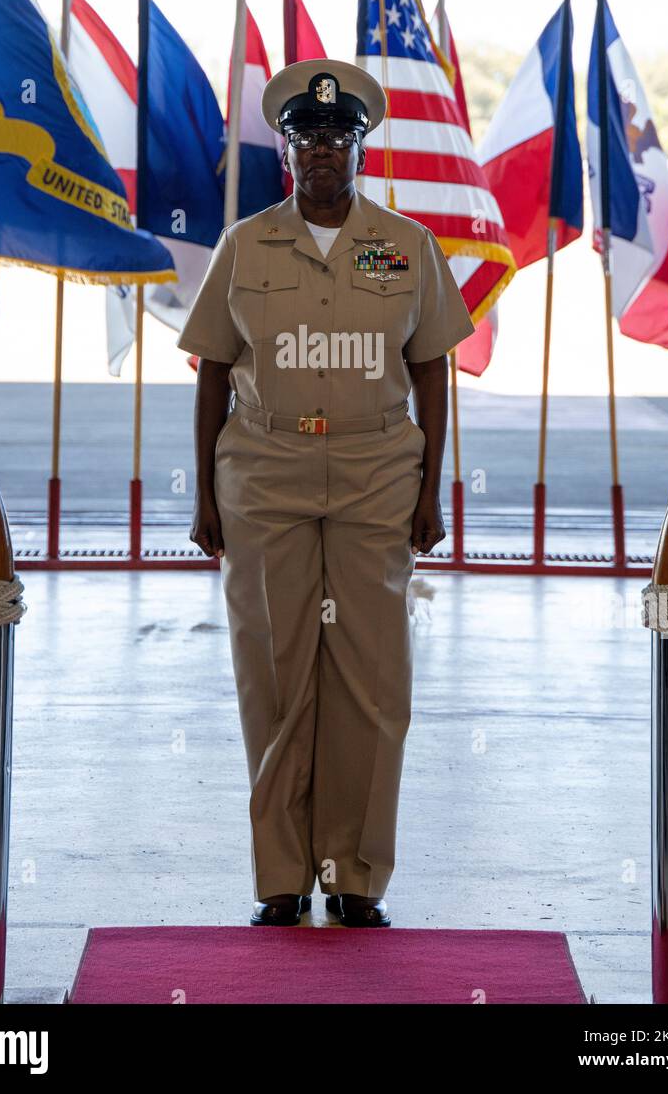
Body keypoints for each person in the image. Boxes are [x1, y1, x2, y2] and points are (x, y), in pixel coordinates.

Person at [179, 58, 475, 927]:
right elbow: (211, 375)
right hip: (264, 474)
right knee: (272, 666)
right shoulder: (245, 245)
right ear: (285, 150)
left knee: (372, 677)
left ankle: (352, 875)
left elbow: (430, 370)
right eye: (307, 139)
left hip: (377, 473)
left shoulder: (405, 244)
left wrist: (429, 490)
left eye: (337, 139)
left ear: (359, 150)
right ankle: (280, 874)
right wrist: (204, 496)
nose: (321, 152)